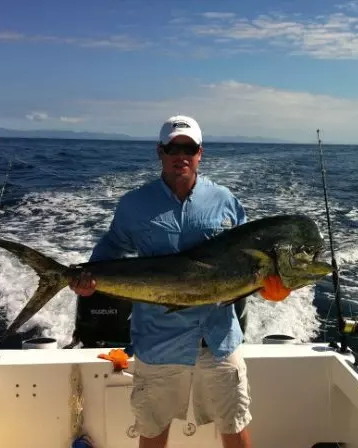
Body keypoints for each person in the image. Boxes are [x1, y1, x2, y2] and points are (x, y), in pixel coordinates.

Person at [69, 115, 252, 448]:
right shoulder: (134, 205)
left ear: (200, 153)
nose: (180, 154)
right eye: (172, 147)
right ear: (160, 152)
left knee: (235, 426)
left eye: (188, 147)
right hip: (159, 342)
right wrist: (87, 279)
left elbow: (247, 256)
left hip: (219, 339)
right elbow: (112, 247)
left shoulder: (225, 200)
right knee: (153, 432)